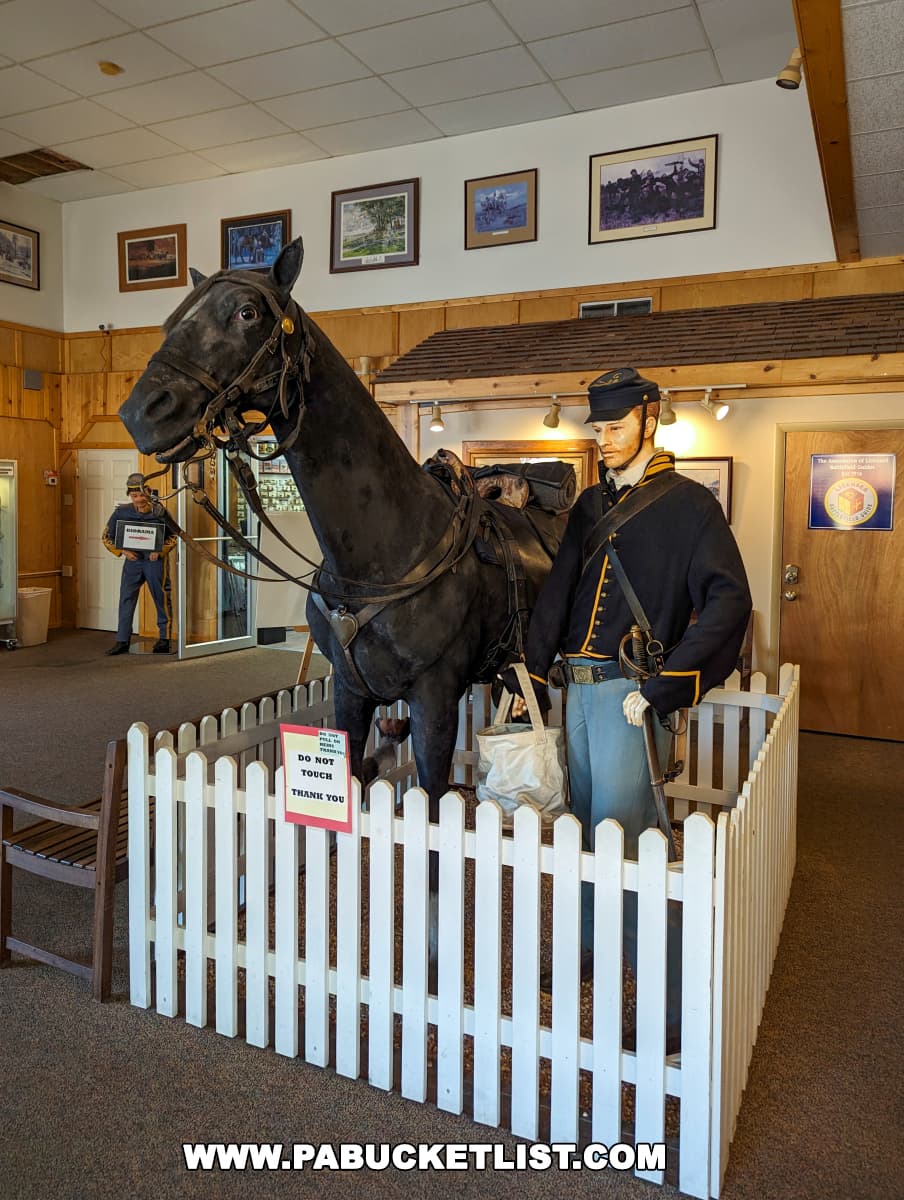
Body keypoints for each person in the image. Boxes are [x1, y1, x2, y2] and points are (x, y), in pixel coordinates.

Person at [502, 367, 752, 1048]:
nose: (604, 439)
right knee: (586, 829)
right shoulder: (589, 506)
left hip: (629, 694)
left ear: (649, 417)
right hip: (577, 689)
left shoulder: (691, 505)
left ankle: (669, 997)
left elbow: (730, 599)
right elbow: (560, 589)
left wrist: (667, 685)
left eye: (614, 426)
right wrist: (530, 664)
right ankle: (587, 947)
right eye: (599, 428)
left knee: (632, 842)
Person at [102, 472, 177, 656]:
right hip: (133, 562)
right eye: (135, 496)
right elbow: (106, 537)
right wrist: (123, 552)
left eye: (142, 495)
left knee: (161, 599)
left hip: (155, 563)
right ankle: (122, 640)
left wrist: (160, 550)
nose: (139, 500)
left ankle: (164, 639)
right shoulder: (121, 512)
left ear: (149, 492)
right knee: (126, 599)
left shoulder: (160, 512)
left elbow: (175, 535)